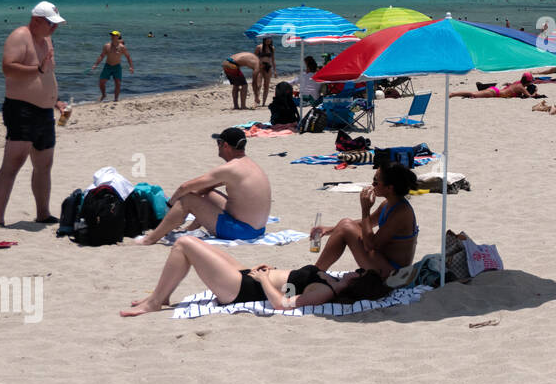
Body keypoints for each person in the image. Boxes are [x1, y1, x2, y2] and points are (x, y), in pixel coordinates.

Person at [120, 235, 385, 316]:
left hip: (243, 290)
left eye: (360, 272)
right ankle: (162, 296)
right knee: (200, 246)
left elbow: (283, 304)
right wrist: (271, 272)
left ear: (357, 281)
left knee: (185, 244)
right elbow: (292, 285)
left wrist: (265, 280)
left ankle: (155, 302)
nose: (356, 268)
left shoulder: (326, 292)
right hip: (251, 277)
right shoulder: (334, 280)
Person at [0, 2, 68, 227]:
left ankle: (43, 213)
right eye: (50, 24)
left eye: (56, 25)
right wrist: (37, 70)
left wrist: (56, 101)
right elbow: (8, 68)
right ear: (36, 20)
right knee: (13, 163)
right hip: (21, 109)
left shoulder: (46, 39)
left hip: (45, 112)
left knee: (44, 164)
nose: (54, 29)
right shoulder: (20, 36)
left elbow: (46, 75)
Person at [136, 128, 271, 244]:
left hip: (242, 232)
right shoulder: (249, 164)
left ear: (225, 146)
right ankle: (189, 230)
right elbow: (203, 188)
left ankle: (149, 240)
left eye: (218, 143)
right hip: (257, 228)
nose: (217, 146)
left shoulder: (230, 168)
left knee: (187, 200)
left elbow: (184, 187)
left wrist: (169, 206)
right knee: (207, 192)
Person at [311, 163, 420, 283]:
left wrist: (365, 209)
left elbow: (370, 245)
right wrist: (328, 230)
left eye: (376, 181)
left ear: (390, 188)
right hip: (383, 263)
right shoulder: (388, 204)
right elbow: (366, 224)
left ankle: (314, 274)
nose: (372, 184)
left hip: (393, 275)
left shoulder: (401, 212)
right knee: (345, 224)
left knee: (346, 225)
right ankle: (316, 271)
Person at [90, 30, 134, 102]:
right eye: (112, 35)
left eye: (114, 35)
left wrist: (131, 67)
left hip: (117, 67)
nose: (112, 36)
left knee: (118, 83)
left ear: (118, 37)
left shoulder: (122, 47)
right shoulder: (107, 46)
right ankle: (104, 95)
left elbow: (128, 57)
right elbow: (102, 56)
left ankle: (116, 99)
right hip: (108, 66)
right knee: (101, 82)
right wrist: (95, 64)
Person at [450, 72, 539, 98]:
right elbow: (530, 96)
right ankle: (453, 94)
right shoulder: (521, 87)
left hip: (495, 90)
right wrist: (535, 92)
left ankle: (454, 94)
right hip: (495, 93)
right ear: (527, 82)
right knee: (473, 94)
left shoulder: (517, 83)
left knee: (473, 94)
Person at [254, 36, 276, 107]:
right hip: (260, 67)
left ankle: (264, 103)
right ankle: (257, 100)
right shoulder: (259, 47)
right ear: (264, 39)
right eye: (267, 39)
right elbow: (254, 58)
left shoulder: (272, 48)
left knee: (266, 85)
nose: (268, 41)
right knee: (258, 85)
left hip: (268, 68)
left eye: (270, 39)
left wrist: (275, 71)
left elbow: (273, 60)